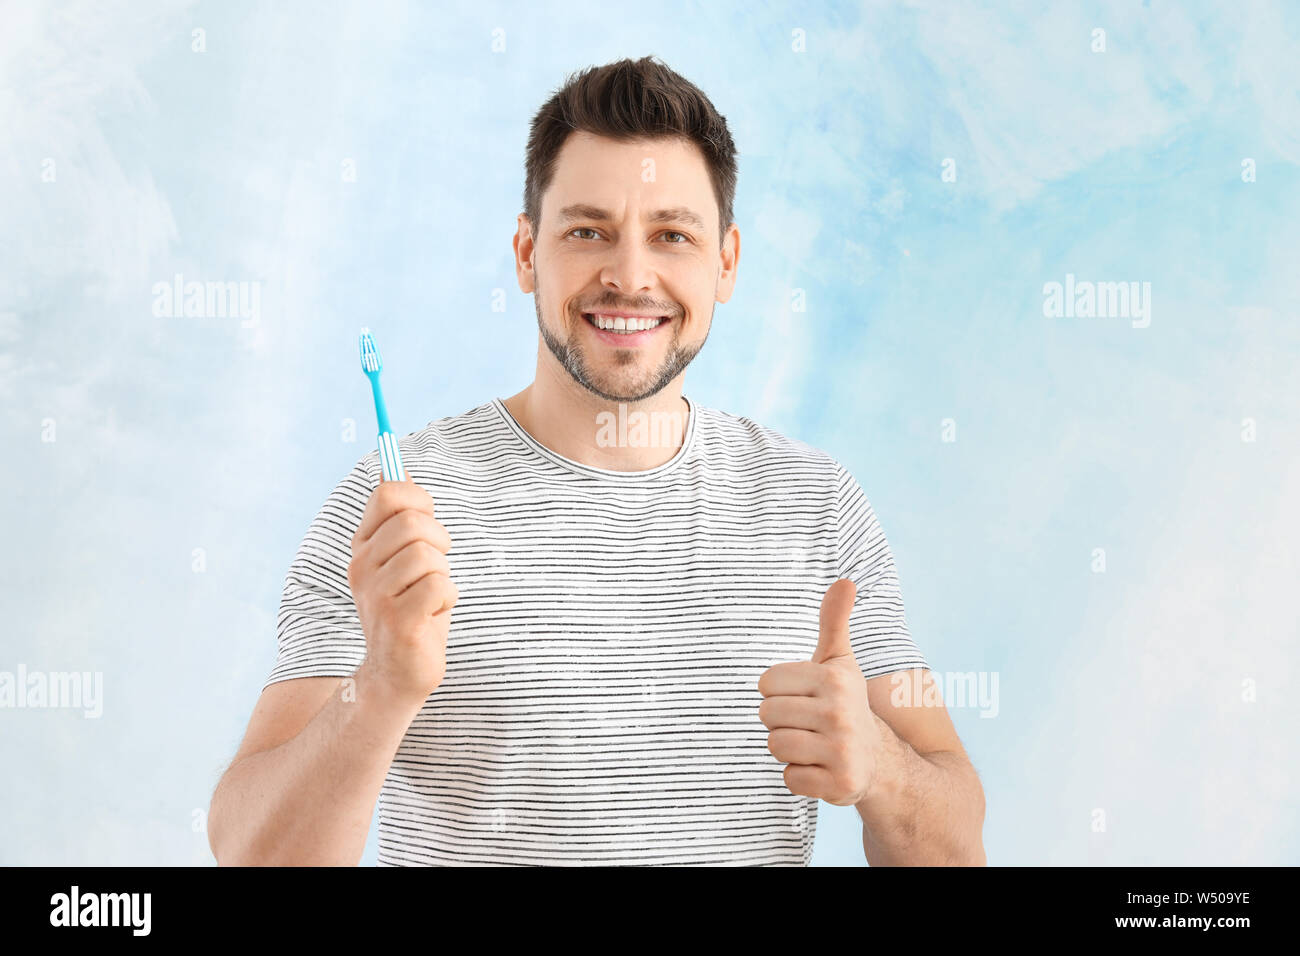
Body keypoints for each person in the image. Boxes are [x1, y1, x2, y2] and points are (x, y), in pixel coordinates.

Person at [208, 55, 986, 866]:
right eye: (587, 232)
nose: (629, 275)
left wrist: (882, 769)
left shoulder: (815, 503)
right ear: (525, 253)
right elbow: (250, 851)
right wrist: (378, 691)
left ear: (725, 262)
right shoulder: (398, 507)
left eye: (671, 236)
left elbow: (957, 843)